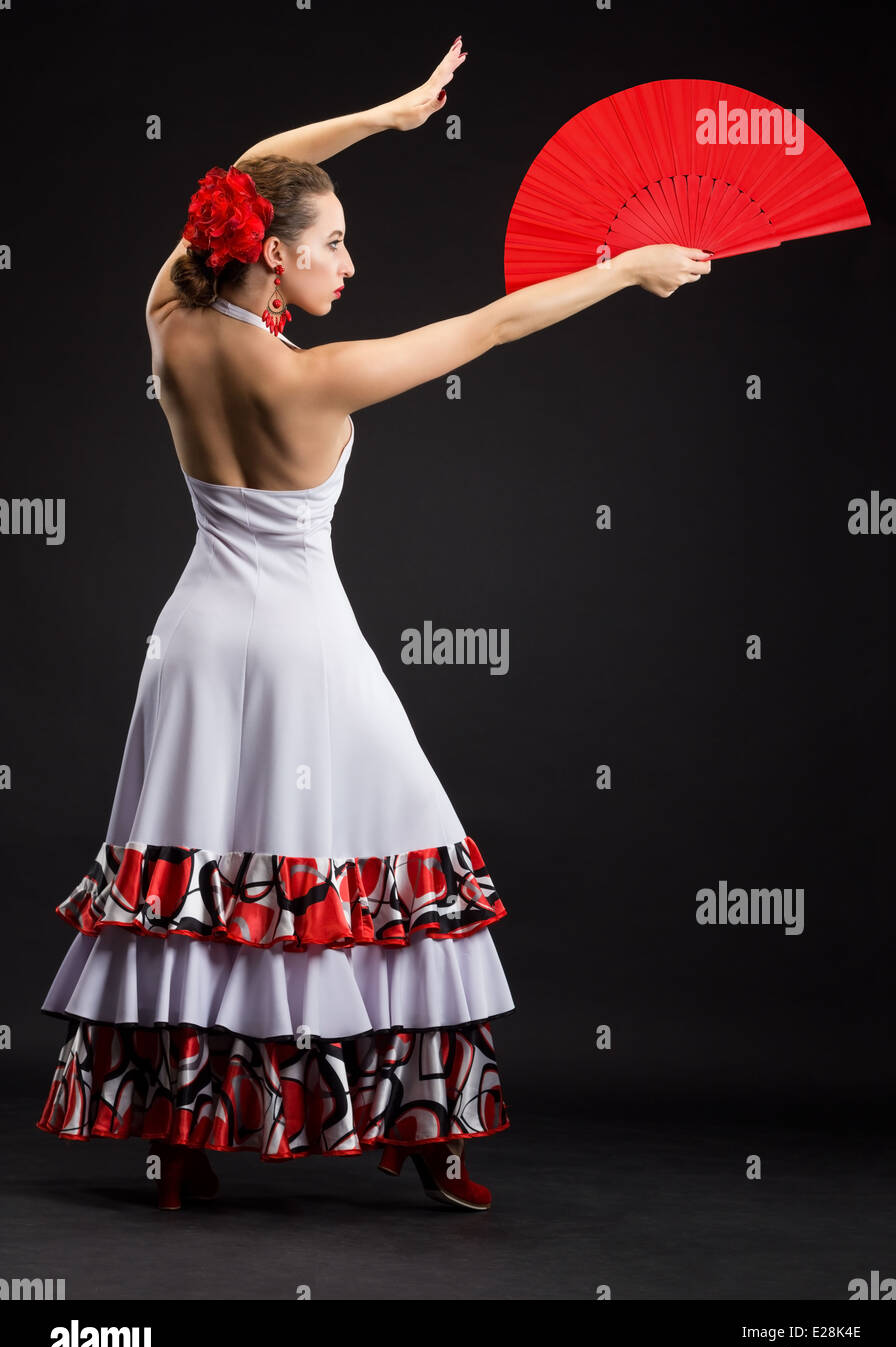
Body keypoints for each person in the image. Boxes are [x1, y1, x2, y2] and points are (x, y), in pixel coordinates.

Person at [36, 38, 711, 1214]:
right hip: (302, 651)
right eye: (333, 242)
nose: (351, 259)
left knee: (195, 884)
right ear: (273, 251)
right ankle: (421, 1132)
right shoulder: (317, 377)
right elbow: (497, 327)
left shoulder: (169, 321)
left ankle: (180, 1136)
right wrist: (625, 267)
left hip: (192, 644)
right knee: (374, 877)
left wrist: (390, 114)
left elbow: (254, 165)